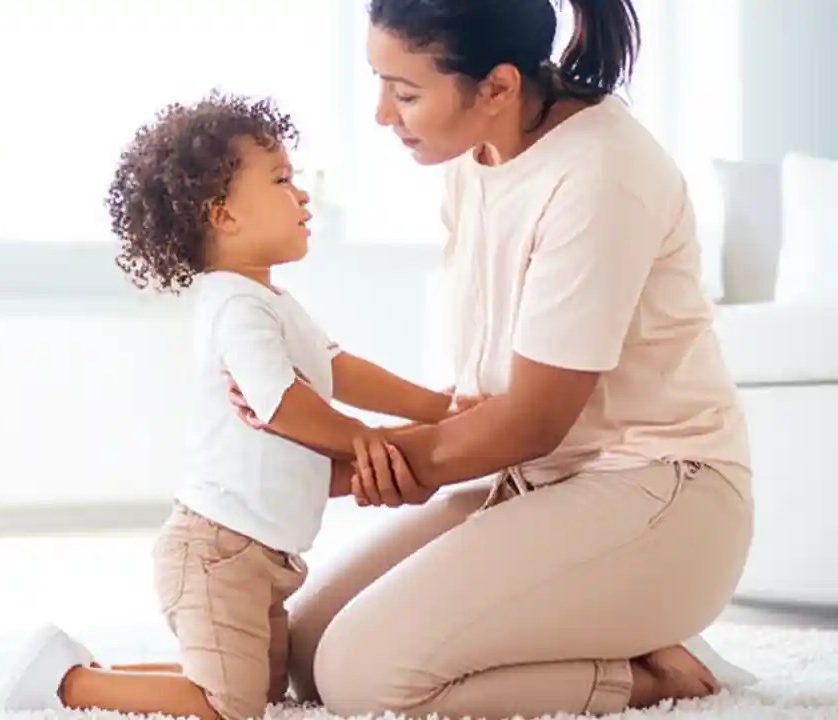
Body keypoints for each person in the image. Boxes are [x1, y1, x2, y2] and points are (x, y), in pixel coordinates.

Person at [228, 0, 758, 717]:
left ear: (499, 87)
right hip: (539, 485)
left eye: (406, 92)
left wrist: (342, 466)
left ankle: (658, 676)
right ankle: (598, 634)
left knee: (366, 679)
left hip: (658, 492)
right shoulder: (476, 157)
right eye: (380, 83)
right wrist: (334, 451)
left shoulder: (601, 173)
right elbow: (493, 394)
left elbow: (531, 422)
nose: (383, 114)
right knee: (305, 648)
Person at [0, 91, 453, 720]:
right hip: (219, 552)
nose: (302, 195)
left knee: (256, 690)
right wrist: (359, 438)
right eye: (282, 179)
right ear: (225, 216)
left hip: (259, 554)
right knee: (230, 706)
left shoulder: (271, 301)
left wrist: (435, 405)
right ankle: (68, 686)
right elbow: (279, 404)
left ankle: (93, 671)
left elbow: (338, 369)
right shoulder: (235, 305)